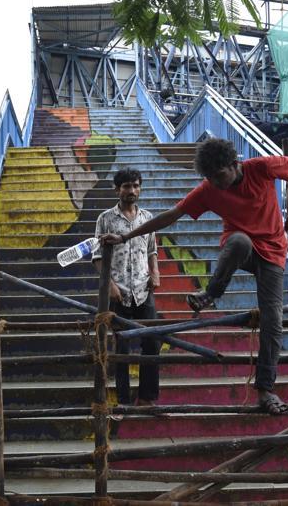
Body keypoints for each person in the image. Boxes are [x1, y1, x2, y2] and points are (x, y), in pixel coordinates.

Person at [101, 139, 288, 414]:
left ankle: (265, 390)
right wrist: (126, 236)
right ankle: (211, 293)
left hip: (273, 253)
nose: (216, 183)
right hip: (239, 249)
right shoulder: (210, 187)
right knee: (240, 241)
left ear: (235, 165)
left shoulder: (261, 167)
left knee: (273, 320)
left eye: (220, 176)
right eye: (211, 178)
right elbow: (171, 215)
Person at [92, 168, 162, 406]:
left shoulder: (148, 218)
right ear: (117, 189)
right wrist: (109, 284)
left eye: (135, 185)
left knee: (152, 343)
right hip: (118, 292)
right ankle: (123, 400)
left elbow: (152, 250)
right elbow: (97, 256)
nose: (132, 190)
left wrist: (155, 272)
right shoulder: (105, 219)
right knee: (121, 346)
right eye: (126, 186)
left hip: (143, 290)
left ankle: (147, 398)